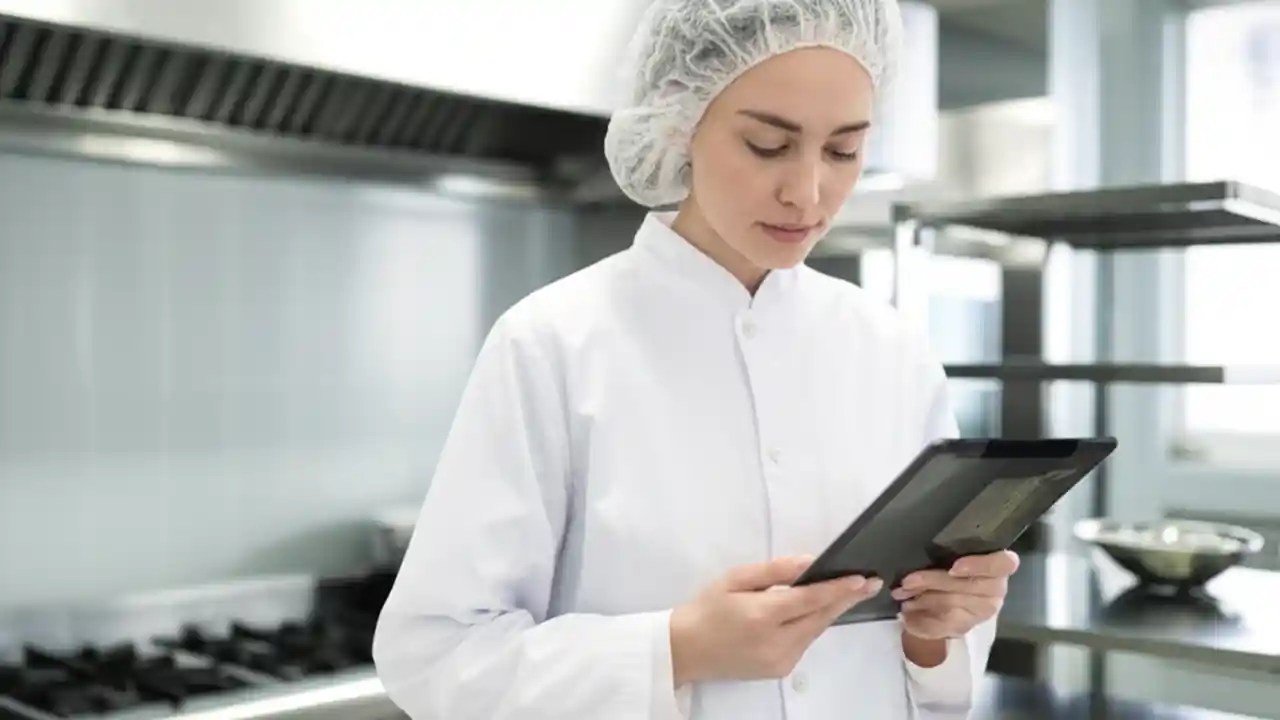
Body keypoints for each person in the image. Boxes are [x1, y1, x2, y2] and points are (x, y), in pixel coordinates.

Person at [372, 0, 1020, 718]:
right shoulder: (553, 343)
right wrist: (679, 648)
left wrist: (937, 635)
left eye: (843, 151)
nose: (807, 192)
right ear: (681, 124)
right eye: (768, 146)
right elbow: (434, 659)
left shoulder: (894, 353)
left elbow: (927, 672)